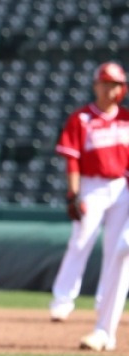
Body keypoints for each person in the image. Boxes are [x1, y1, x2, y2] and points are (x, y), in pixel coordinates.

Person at [50, 62, 129, 327]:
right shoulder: (82, 118)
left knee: (116, 249)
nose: (110, 89)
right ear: (96, 85)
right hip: (91, 185)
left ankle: (105, 304)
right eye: (106, 83)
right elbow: (72, 159)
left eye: (115, 84)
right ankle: (62, 301)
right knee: (80, 241)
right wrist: (73, 193)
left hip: (121, 187)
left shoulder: (126, 119)